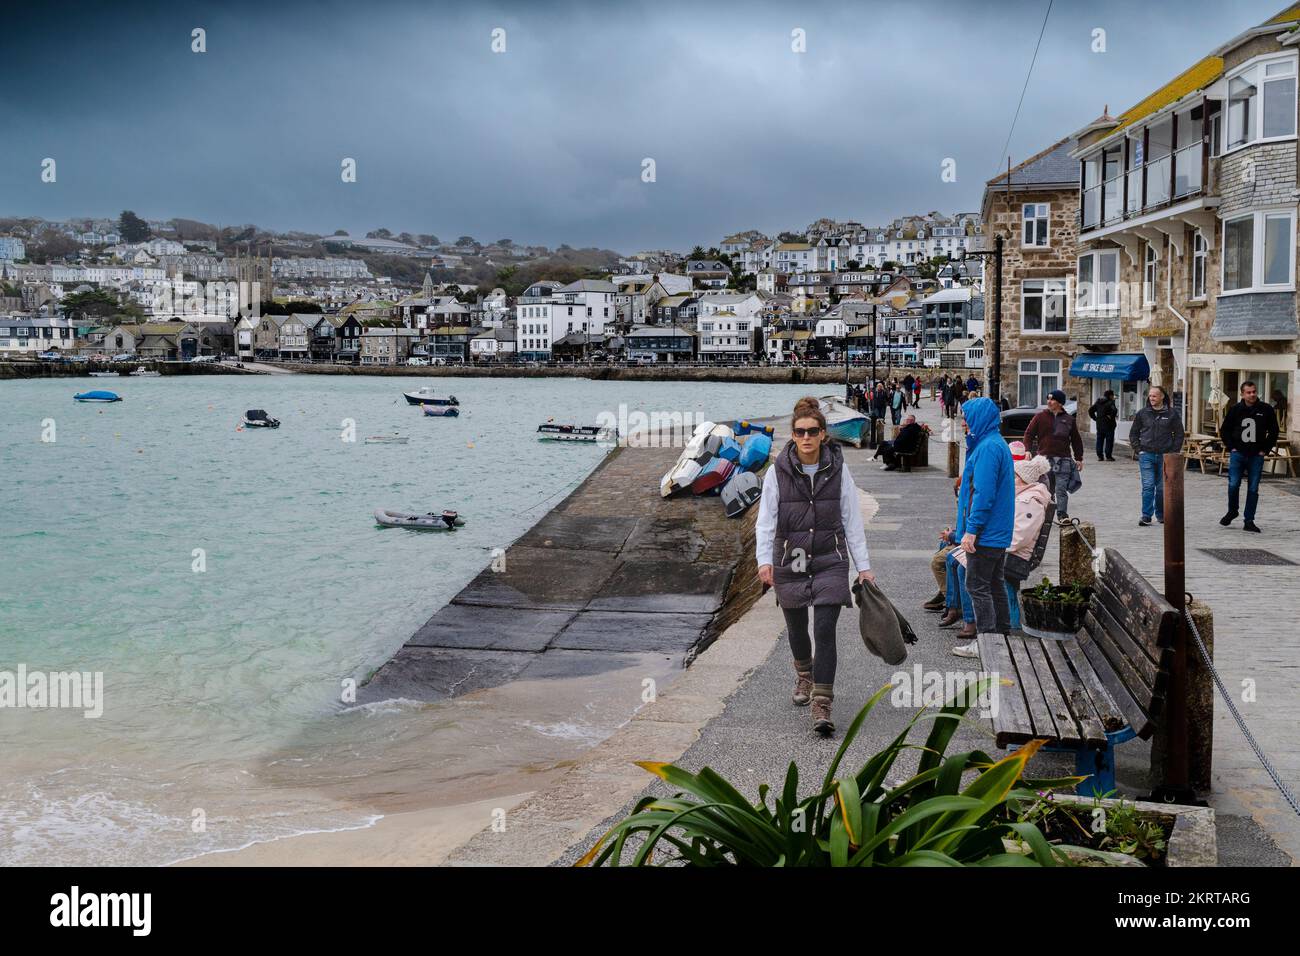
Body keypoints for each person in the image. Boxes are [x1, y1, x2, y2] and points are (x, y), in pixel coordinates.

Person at [756, 396, 873, 737]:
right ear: (792, 435)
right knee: (796, 629)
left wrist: (863, 567)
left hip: (828, 560)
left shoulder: (839, 469)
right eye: (799, 432)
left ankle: (822, 702)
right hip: (790, 558)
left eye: (812, 431)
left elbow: (852, 519)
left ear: (823, 434)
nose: (805, 437)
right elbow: (766, 521)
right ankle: (804, 674)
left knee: (824, 628)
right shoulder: (777, 472)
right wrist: (764, 561)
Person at [953, 453, 1052, 657]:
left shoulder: (1029, 501)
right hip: (1003, 548)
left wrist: (988, 542)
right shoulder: (1022, 495)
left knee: (977, 582)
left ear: (1021, 479)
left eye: (1012, 476)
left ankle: (983, 635)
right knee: (961, 565)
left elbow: (1018, 538)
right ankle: (990, 632)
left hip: (1013, 556)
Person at [953, 397, 1016, 646]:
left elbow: (983, 493)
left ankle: (988, 642)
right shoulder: (994, 443)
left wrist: (971, 530)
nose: (964, 424)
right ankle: (1001, 636)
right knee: (994, 584)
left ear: (978, 419)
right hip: (996, 531)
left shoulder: (988, 448)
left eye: (966, 419)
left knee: (977, 586)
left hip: (986, 532)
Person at [1219, 380, 1279, 533]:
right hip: (1238, 453)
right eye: (1248, 392)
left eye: (1254, 391)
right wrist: (1231, 447)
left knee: (1253, 488)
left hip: (1256, 455)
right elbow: (1225, 430)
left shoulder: (1266, 409)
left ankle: (1249, 520)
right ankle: (1233, 511)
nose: (1252, 395)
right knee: (1233, 485)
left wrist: (1264, 450)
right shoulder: (1235, 409)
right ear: (1242, 394)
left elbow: (1274, 431)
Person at [1023, 389, 1084, 520]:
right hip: (1044, 460)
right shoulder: (1040, 417)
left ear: (1060, 403)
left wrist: (1079, 458)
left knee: (1060, 489)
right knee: (1046, 490)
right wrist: (1027, 449)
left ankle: (1062, 515)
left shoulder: (1069, 420)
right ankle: (1045, 515)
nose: (1049, 402)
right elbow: (1029, 434)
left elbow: (1076, 440)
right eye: (1048, 399)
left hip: (1063, 460)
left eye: (1052, 399)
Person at [1128, 384, 1184, 527]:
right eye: (1150, 396)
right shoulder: (1143, 413)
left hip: (1164, 455)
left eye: (1154, 396)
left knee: (1160, 488)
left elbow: (1179, 434)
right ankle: (1146, 515)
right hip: (1146, 454)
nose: (1151, 398)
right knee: (1148, 485)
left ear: (1162, 397)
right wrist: (1138, 449)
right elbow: (1133, 433)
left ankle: (1161, 514)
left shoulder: (1172, 414)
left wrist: (1173, 451)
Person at [1088, 389, 1119, 462]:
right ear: (1110, 396)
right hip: (1109, 425)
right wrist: (1111, 416)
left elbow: (1090, 410)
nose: (1113, 397)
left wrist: (1095, 418)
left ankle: (1100, 456)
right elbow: (1114, 410)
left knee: (1099, 440)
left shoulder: (1098, 402)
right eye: (1112, 395)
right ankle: (1108, 456)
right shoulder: (1110, 402)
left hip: (1099, 424)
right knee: (1109, 440)